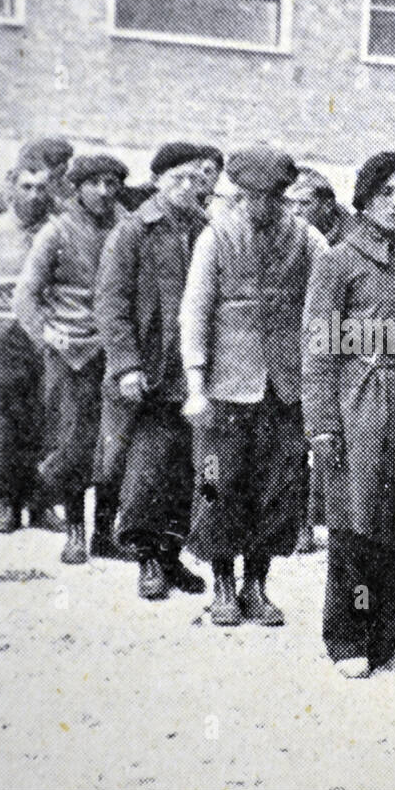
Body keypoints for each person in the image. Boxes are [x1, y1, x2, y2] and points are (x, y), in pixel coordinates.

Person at [303, 152, 395, 678]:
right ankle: (348, 638)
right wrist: (321, 423)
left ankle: (393, 637)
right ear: (363, 199)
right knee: (357, 524)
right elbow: (320, 347)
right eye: (385, 192)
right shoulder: (338, 261)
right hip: (359, 399)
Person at [180, 147, 327, 625]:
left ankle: (256, 585)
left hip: (285, 390)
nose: (264, 206)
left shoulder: (305, 238)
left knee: (278, 488)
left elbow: (328, 299)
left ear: (286, 195)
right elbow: (195, 311)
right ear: (239, 193)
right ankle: (222, 584)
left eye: (275, 196)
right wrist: (196, 384)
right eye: (253, 196)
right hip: (227, 388)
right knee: (220, 486)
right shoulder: (215, 236)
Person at [95, 150, 209, 598]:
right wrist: (127, 364)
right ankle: (145, 558)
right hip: (150, 376)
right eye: (177, 178)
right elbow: (111, 304)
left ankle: (171, 555)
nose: (187, 187)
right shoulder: (133, 232)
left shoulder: (205, 231)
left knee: (187, 472)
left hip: (194, 375)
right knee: (146, 471)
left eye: (193, 178)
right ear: (158, 180)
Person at [16, 154, 129, 563]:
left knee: (116, 446)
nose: (104, 191)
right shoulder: (56, 231)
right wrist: (48, 332)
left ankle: (105, 532)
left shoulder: (128, 227)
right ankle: (75, 530)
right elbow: (26, 294)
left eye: (111, 183)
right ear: (77, 187)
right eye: (94, 183)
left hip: (118, 351)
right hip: (73, 353)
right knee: (75, 443)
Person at [0, 154, 62, 533]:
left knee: (46, 418)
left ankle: (40, 503)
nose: (35, 195)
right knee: (2, 419)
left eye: (42, 187)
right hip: (2, 333)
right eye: (27, 187)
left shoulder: (59, 230)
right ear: (11, 188)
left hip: (47, 333)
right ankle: (5, 501)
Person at [286, 167, 355, 556]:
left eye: (303, 204)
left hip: (342, 354)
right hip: (303, 347)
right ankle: (301, 523)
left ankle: (327, 521)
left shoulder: (351, 240)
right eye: (290, 203)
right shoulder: (298, 238)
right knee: (299, 441)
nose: (295, 211)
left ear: (327, 204)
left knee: (331, 442)